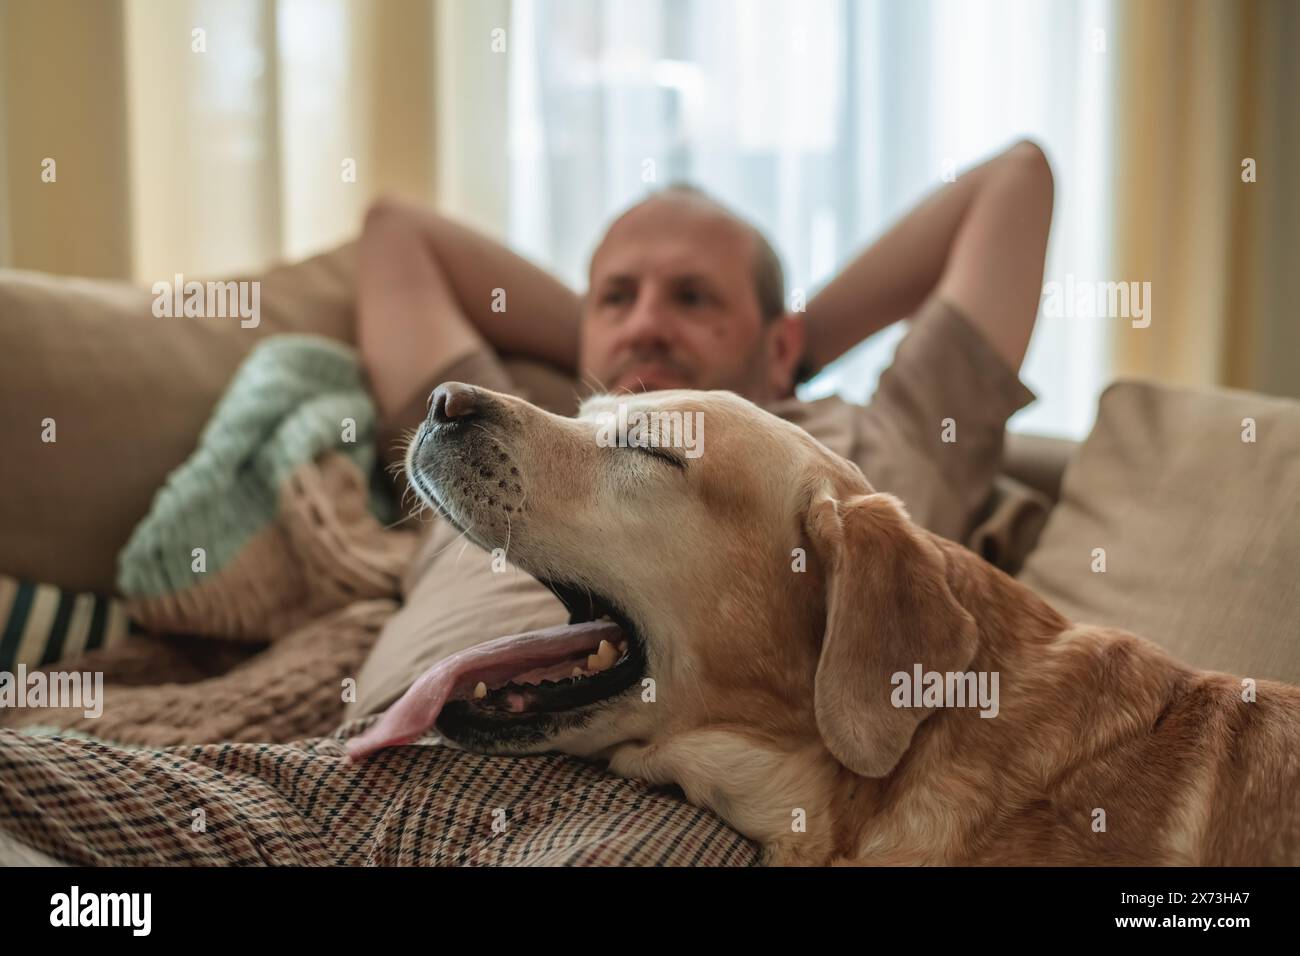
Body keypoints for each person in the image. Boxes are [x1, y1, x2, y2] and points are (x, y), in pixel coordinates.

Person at [349, 139, 1054, 719]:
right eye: (617, 297)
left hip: (656, 802)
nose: (647, 322)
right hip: (374, 751)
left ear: (779, 346)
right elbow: (394, 233)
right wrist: (620, 361)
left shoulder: (874, 445)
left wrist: (787, 356)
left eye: (693, 297)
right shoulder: (502, 429)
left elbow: (1016, 180)